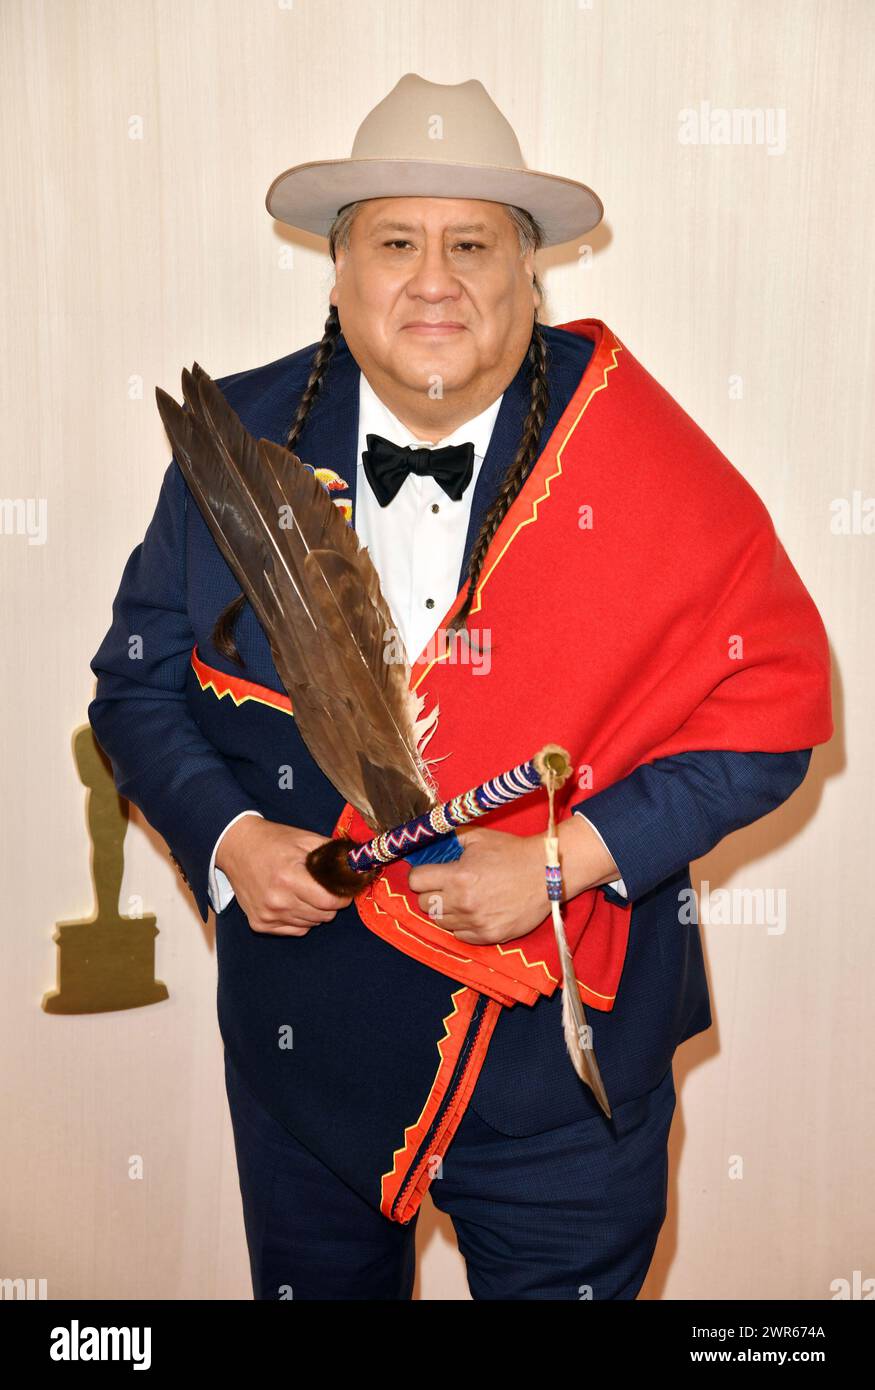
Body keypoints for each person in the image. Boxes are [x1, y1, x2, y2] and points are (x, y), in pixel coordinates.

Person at [88, 74, 832, 1300]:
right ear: (338, 271)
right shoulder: (239, 436)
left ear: (525, 279)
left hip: (564, 1072)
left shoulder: (637, 456)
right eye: (394, 241)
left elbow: (767, 722)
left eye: (471, 244)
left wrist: (566, 858)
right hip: (302, 1047)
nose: (432, 278)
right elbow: (135, 687)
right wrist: (229, 840)